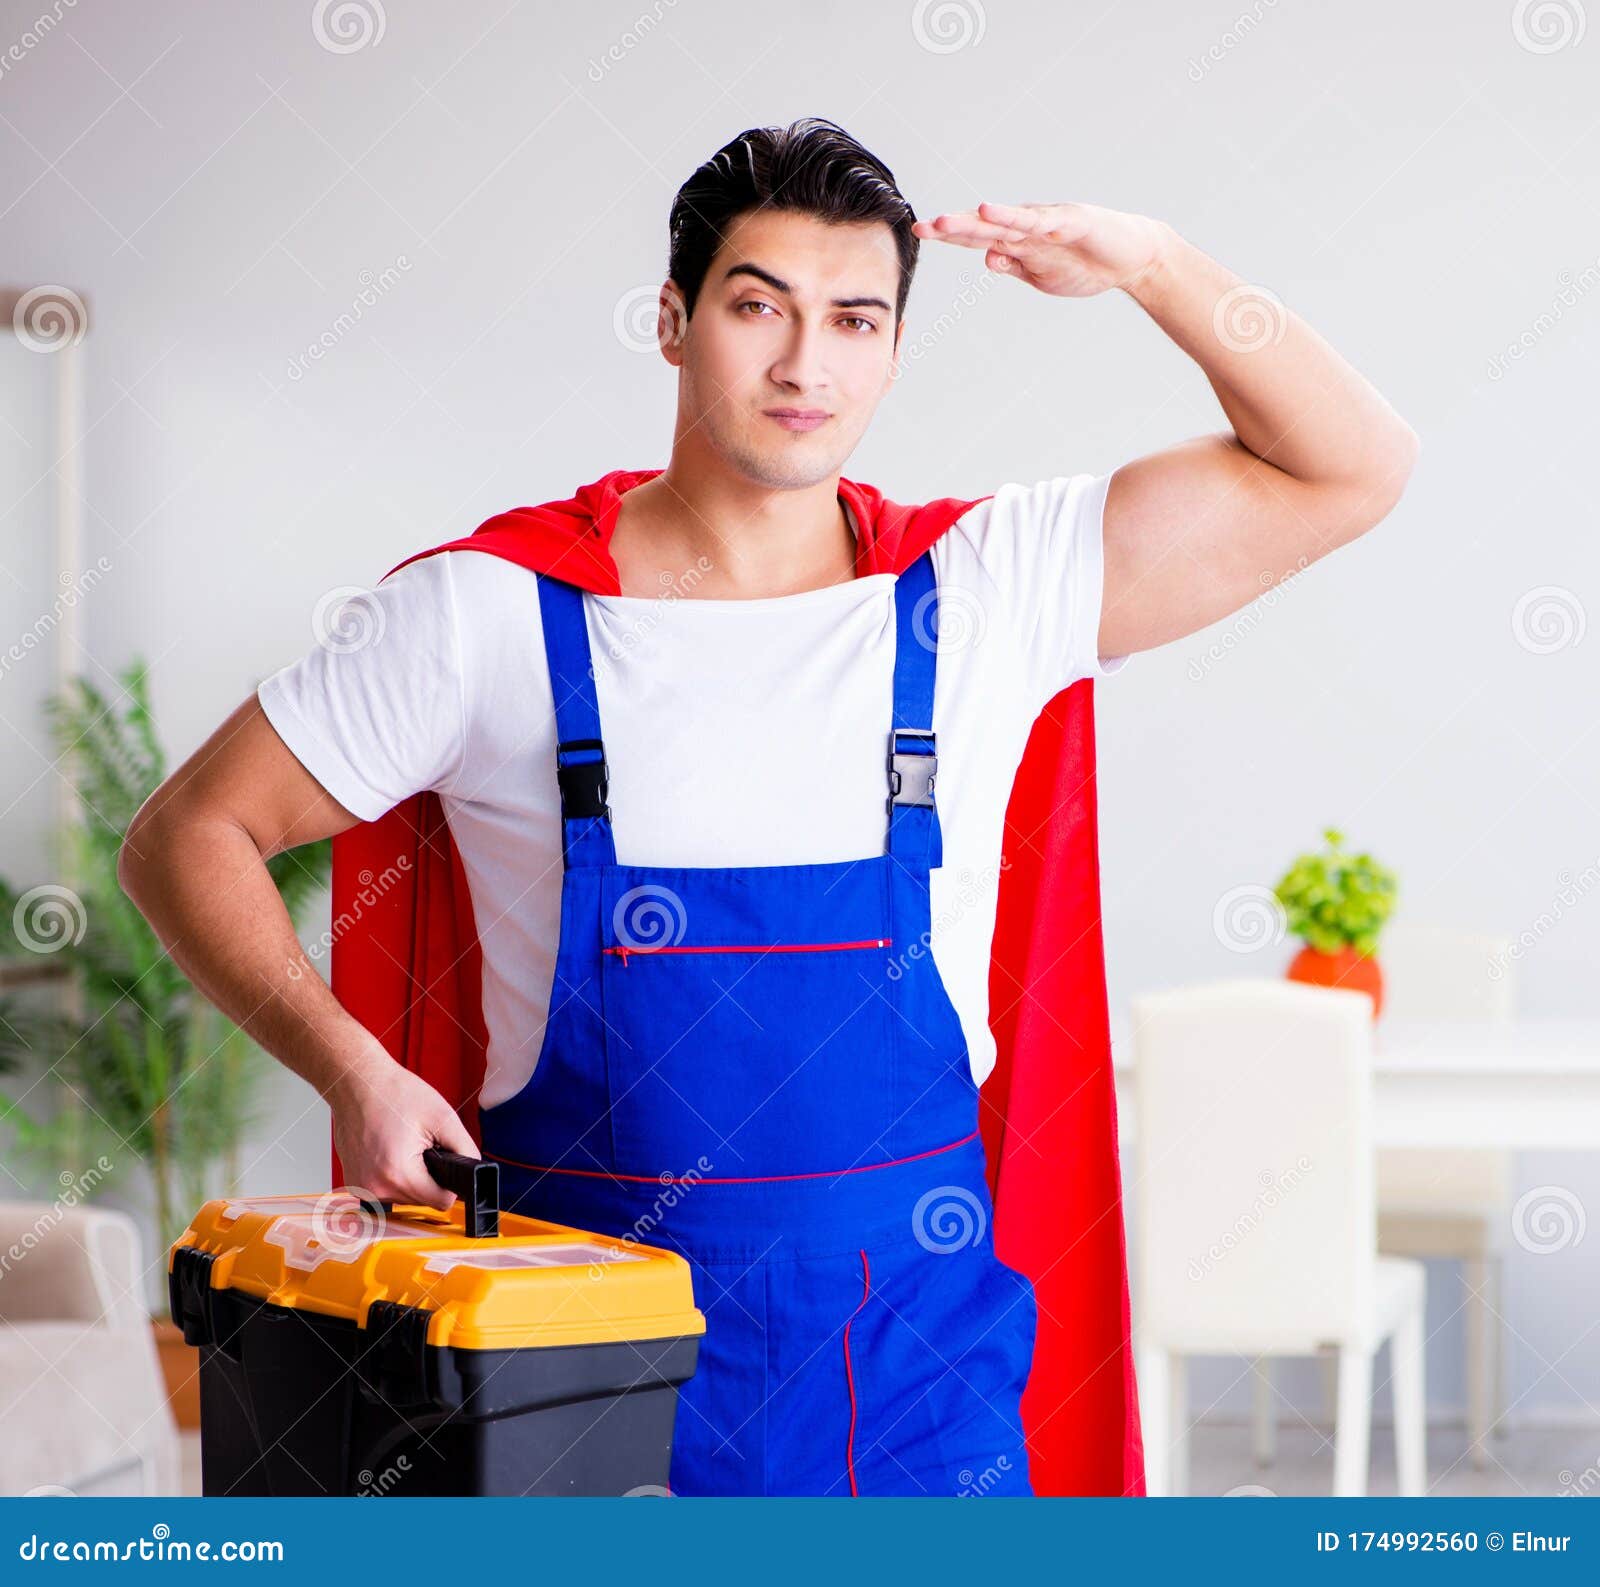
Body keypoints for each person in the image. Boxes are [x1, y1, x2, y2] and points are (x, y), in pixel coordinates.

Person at [119, 116, 1418, 1497]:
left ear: (896, 351)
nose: (807, 364)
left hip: (917, 1388)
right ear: (672, 322)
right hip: (580, 1379)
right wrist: (353, 1069)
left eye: (856, 320)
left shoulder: (992, 588)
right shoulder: (487, 618)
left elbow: (1353, 467)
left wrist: (1153, 263)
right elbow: (186, 838)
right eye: (759, 307)